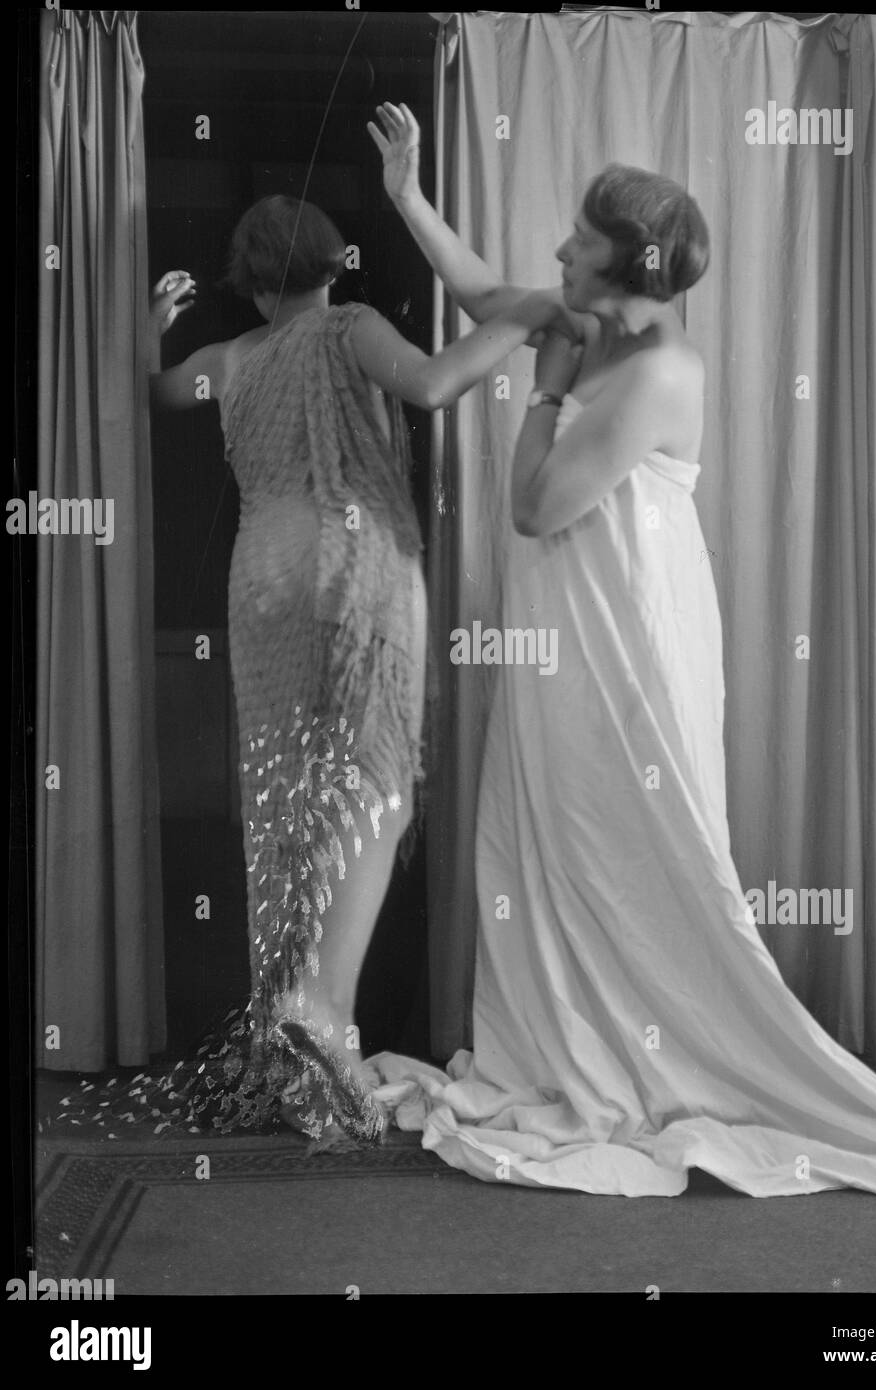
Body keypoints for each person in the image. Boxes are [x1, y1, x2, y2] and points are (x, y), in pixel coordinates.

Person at [362, 103, 876, 1196]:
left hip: (629, 641)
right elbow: (478, 294)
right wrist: (410, 194)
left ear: (631, 264)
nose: (559, 251)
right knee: (553, 835)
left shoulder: (656, 371)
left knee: (638, 837)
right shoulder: (578, 310)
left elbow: (535, 506)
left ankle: (662, 1052)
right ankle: (561, 1042)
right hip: (563, 634)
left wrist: (546, 388)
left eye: (581, 240)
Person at [142, 193, 577, 1146]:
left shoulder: (227, 360)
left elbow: (157, 390)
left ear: (253, 284)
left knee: (283, 797)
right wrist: (526, 316)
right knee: (372, 785)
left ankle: (287, 1019)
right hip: (357, 567)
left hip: (261, 581)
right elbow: (432, 385)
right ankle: (323, 1017)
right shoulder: (351, 327)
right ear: (332, 266)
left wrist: (148, 332)